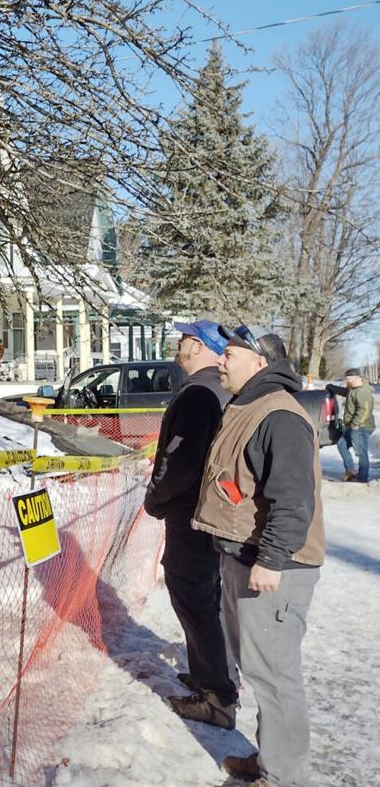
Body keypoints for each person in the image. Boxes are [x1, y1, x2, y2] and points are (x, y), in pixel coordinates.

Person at [192, 325, 323, 787]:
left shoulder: (279, 416)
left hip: (272, 568)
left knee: (275, 676)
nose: (220, 361)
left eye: (229, 354)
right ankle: (272, 761)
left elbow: (293, 500)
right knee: (260, 669)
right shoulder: (249, 405)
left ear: (259, 363)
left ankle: (284, 776)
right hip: (245, 559)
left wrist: (270, 560)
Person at [144, 320, 237, 728]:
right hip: (205, 511)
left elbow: (180, 461)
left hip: (193, 514)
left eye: (183, 339)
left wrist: (156, 497)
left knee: (196, 599)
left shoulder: (200, 393)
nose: (178, 345)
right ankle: (212, 677)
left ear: (198, 345)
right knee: (204, 598)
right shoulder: (215, 389)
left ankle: (217, 696)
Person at [326, 367, 373, 482]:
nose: (347, 381)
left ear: (357, 377)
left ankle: (362, 479)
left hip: (361, 427)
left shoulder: (363, 391)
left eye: (348, 378)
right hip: (352, 426)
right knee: (342, 444)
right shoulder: (352, 389)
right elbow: (345, 392)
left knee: (361, 452)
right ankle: (351, 471)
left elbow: (365, 410)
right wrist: (331, 387)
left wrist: (356, 423)